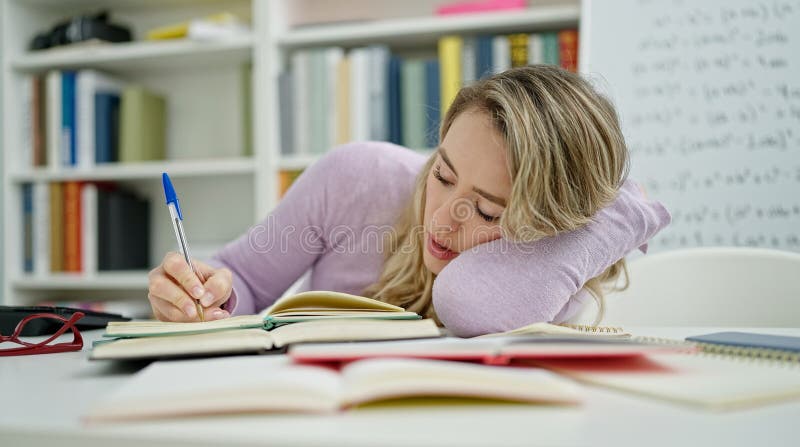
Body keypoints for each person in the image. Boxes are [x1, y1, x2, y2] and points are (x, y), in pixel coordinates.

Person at [147, 65, 670, 337]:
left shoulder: (554, 263)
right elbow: (245, 274)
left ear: (550, 227)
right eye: (442, 173)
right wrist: (203, 291)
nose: (442, 219)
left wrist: (613, 221)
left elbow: (470, 303)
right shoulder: (358, 177)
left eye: (487, 211)